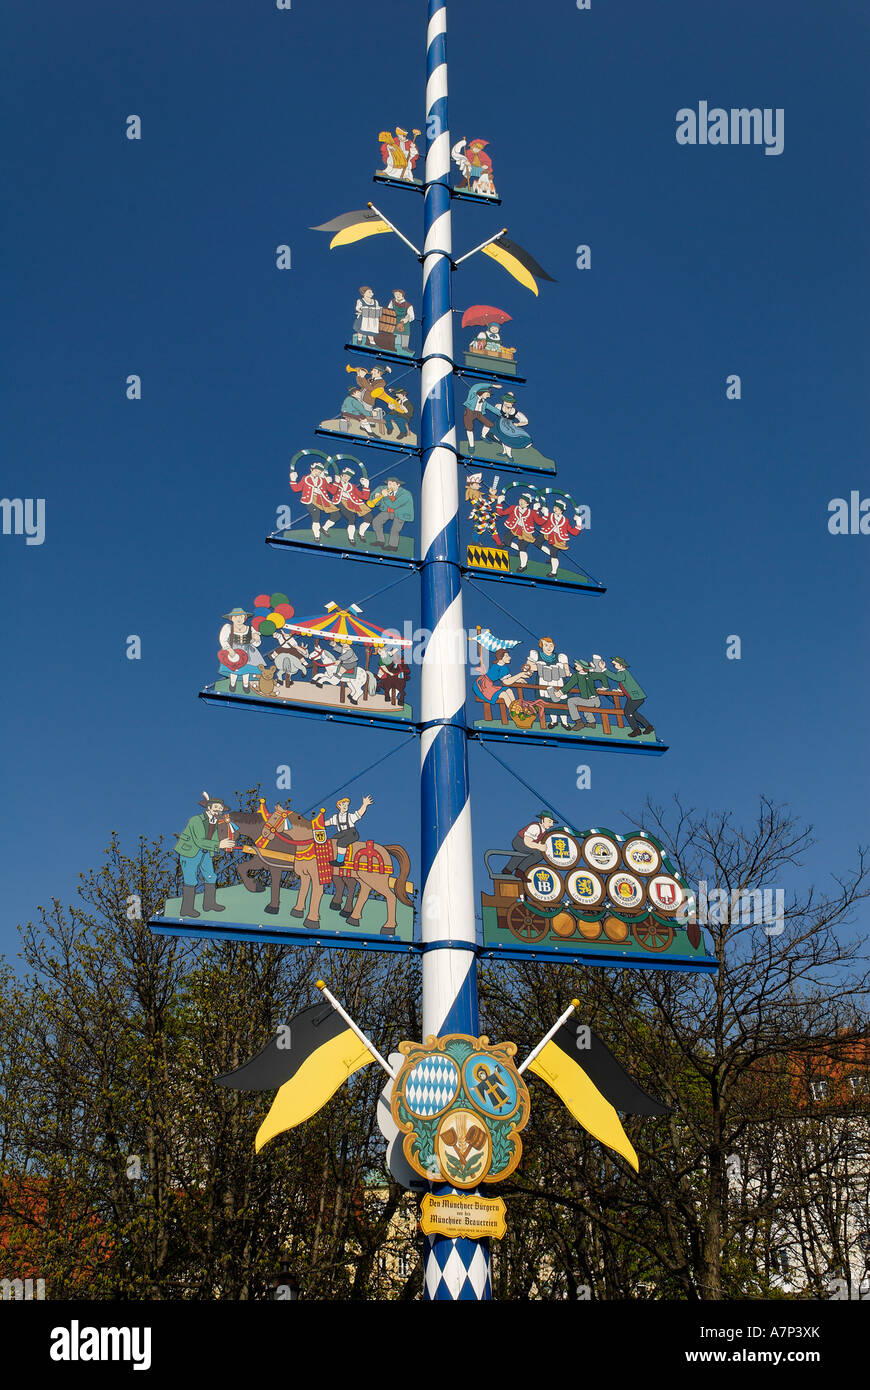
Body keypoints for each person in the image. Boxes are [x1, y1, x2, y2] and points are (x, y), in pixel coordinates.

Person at [175, 794, 235, 918]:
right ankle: (186, 909)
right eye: (216, 807)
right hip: (190, 852)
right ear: (209, 808)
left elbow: (215, 837)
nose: (219, 810)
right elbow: (199, 840)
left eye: (221, 808)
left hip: (205, 852)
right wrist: (220, 844)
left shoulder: (217, 822)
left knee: (211, 876)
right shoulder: (195, 820)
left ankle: (209, 904)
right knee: (191, 879)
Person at [602, 657, 655, 739]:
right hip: (635, 696)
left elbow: (616, 678)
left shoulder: (622, 673)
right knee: (633, 713)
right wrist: (620, 690)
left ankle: (636, 730)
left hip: (635, 697)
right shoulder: (623, 673)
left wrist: (604, 670)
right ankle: (648, 726)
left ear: (621, 665)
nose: (614, 666)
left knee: (627, 712)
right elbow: (627, 684)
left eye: (614, 664)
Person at [288, 458, 338, 541]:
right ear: (311, 469)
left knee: (336, 515)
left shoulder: (322, 480)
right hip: (310, 500)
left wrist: (336, 482)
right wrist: (293, 480)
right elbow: (296, 488)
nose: (317, 473)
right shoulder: (306, 478)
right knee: (316, 516)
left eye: (319, 471)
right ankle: (317, 536)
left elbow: (332, 491)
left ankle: (324, 528)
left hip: (323, 500)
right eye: (316, 470)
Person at [218, 607, 266, 693]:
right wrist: (229, 649)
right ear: (231, 618)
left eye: (241, 617)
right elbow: (223, 640)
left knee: (246, 669)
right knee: (234, 668)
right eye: (236, 617)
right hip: (234, 651)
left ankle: (246, 685)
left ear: (245, 618)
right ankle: (232, 683)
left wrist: (256, 639)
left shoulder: (250, 629)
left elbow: (255, 644)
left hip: (247, 651)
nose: (239, 619)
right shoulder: (228, 627)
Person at [528, 636, 571, 729]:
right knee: (547, 701)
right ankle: (553, 721)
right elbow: (529, 666)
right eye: (546, 645)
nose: (549, 647)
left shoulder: (560, 657)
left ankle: (565, 722)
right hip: (543, 681)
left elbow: (566, 669)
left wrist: (566, 672)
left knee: (562, 701)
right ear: (541, 646)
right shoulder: (536, 655)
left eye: (551, 645)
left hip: (558, 681)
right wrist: (538, 668)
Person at [473, 646, 528, 719]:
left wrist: (519, 679)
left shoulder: (504, 667)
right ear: (501, 657)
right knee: (504, 694)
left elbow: (508, 678)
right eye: (507, 656)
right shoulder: (496, 667)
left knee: (509, 690)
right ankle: (514, 714)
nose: (509, 657)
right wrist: (519, 675)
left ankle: (518, 710)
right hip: (484, 686)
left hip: (491, 686)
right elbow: (506, 682)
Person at [496, 493, 541, 571]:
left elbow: (539, 522)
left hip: (526, 532)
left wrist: (540, 511)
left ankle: (523, 565)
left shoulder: (532, 512)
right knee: (506, 539)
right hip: (515, 528)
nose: (521, 502)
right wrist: (499, 502)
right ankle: (518, 550)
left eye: (524, 501)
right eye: (520, 500)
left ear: (527, 504)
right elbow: (501, 513)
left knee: (522, 548)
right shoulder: (514, 508)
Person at [537, 499, 583, 576]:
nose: (555, 510)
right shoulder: (550, 515)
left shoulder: (565, 520)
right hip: (547, 533)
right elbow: (540, 521)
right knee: (537, 542)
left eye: (557, 509)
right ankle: (551, 556)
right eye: (555, 508)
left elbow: (573, 532)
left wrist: (578, 523)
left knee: (554, 554)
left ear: (561, 511)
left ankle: (554, 571)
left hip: (559, 539)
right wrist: (543, 512)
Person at [504, 811, 556, 878]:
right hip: (520, 842)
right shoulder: (535, 827)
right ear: (543, 820)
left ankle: (508, 870)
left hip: (526, 844)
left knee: (523, 854)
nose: (552, 825)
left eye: (552, 822)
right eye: (549, 821)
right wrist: (539, 847)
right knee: (538, 854)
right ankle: (520, 871)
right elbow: (527, 842)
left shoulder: (544, 832)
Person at [324, 793, 374, 862]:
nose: (345, 806)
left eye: (347, 805)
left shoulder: (350, 816)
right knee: (333, 840)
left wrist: (365, 804)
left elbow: (359, 813)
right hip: (342, 833)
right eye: (343, 804)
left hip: (352, 833)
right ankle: (331, 856)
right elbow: (329, 822)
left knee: (341, 842)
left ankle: (340, 861)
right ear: (339, 805)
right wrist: (319, 824)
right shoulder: (336, 817)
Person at [369, 478, 414, 550]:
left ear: (398, 485)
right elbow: (375, 502)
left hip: (401, 513)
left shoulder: (405, 494)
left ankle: (393, 546)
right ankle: (380, 541)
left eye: (393, 484)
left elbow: (394, 505)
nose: (391, 486)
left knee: (395, 529)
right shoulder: (382, 488)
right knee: (376, 521)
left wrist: (386, 496)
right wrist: (375, 496)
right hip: (388, 511)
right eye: (389, 484)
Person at [331, 464, 371, 544]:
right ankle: (351, 537)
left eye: (348, 477)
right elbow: (332, 491)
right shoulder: (336, 484)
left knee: (369, 517)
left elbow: (365, 497)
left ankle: (361, 533)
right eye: (345, 476)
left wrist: (366, 486)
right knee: (351, 518)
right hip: (342, 502)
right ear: (341, 476)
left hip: (355, 503)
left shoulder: (352, 486)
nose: (346, 478)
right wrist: (335, 482)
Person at [563, 659, 601, 728]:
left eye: (576, 665)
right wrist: (605, 687)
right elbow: (602, 676)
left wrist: (560, 692)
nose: (575, 666)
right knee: (584, 703)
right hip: (596, 700)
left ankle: (578, 722)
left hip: (589, 701)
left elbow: (568, 686)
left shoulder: (577, 676)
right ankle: (591, 722)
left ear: (582, 667)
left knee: (571, 701)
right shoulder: (590, 675)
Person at [463, 382, 494, 449]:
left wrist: (502, 414)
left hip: (478, 414)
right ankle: (471, 446)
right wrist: (492, 385)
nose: (489, 396)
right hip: (469, 412)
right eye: (488, 394)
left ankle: (483, 436)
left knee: (489, 424)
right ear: (482, 393)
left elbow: (492, 408)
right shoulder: (473, 396)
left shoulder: (484, 402)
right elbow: (476, 386)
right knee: (469, 428)